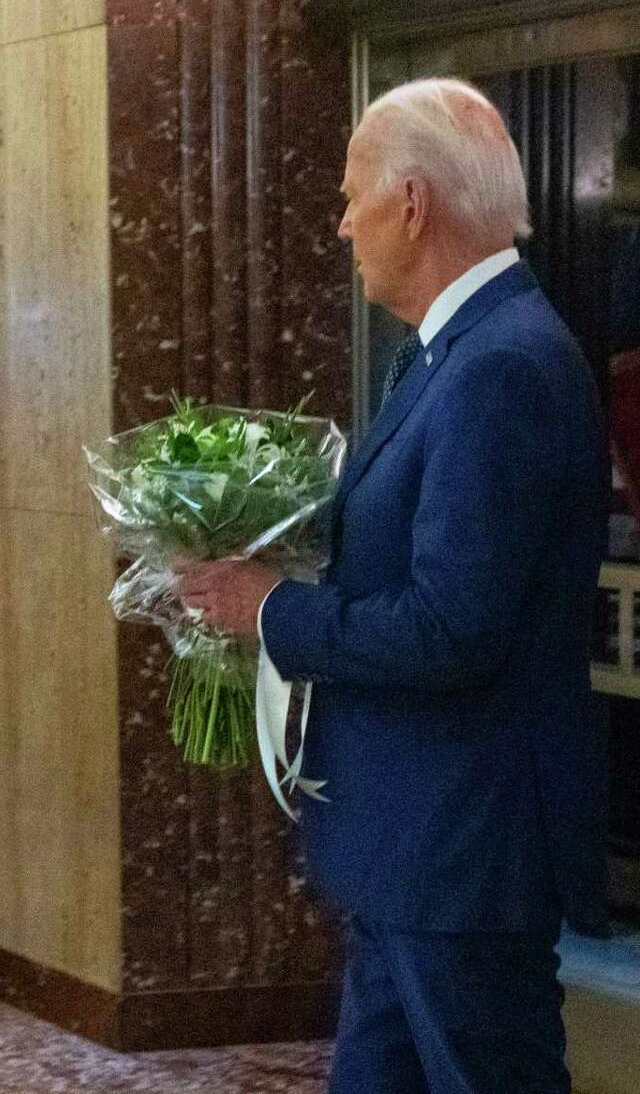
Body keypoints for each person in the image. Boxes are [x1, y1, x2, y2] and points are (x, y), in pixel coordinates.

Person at [181, 78, 607, 1094]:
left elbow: (454, 627)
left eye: (350, 194)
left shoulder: (503, 363)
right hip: (413, 845)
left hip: (463, 852)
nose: (340, 222)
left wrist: (272, 609)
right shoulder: (450, 353)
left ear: (411, 203)